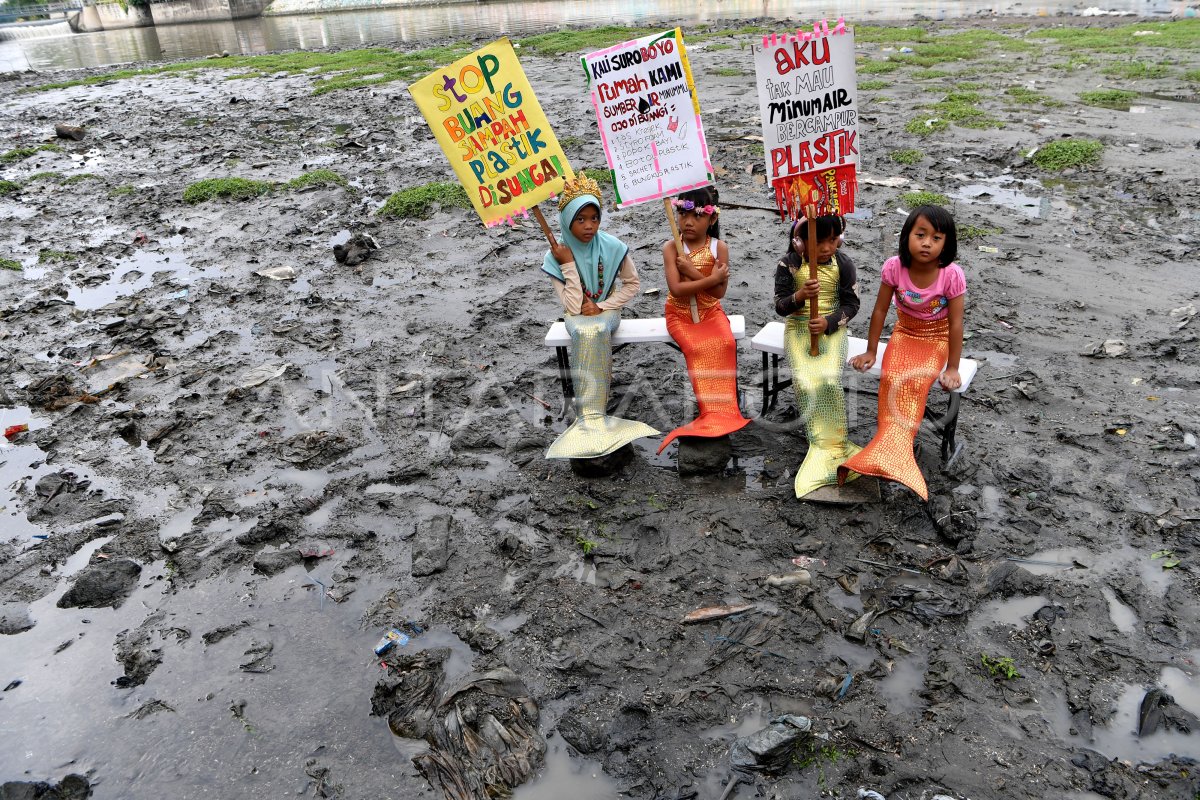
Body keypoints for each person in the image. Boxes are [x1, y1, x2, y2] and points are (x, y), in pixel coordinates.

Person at [837, 205, 966, 500]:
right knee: (892, 379)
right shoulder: (895, 267)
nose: (927, 243)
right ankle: (887, 450)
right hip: (905, 333)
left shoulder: (951, 275)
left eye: (936, 238)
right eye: (920, 235)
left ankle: (897, 452)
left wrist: (953, 368)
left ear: (947, 244)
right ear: (907, 235)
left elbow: (957, 324)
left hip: (936, 339)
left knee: (916, 383)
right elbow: (880, 309)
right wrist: (871, 351)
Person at [541, 174, 659, 459]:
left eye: (594, 218)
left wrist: (605, 305)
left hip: (607, 313)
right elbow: (571, 305)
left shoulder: (613, 246)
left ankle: (598, 414)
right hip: (576, 318)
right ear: (567, 220)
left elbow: (633, 284)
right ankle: (588, 417)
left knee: (596, 329)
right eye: (580, 219)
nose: (589, 226)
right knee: (584, 331)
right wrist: (568, 264)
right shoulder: (555, 255)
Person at [657, 187, 751, 454]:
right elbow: (676, 289)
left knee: (725, 344)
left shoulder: (718, 247)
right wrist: (709, 277)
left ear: (711, 219)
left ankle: (726, 410)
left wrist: (694, 273)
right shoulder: (671, 248)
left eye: (696, 215)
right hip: (680, 314)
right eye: (683, 213)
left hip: (710, 310)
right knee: (697, 349)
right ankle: (709, 411)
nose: (687, 221)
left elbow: (718, 293)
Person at [773, 214, 862, 497]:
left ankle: (835, 444)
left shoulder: (843, 264)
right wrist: (799, 297)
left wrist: (829, 322)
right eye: (820, 241)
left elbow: (852, 304)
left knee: (827, 378)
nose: (827, 248)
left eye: (833, 240)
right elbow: (780, 307)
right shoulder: (789, 264)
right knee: (806, 380)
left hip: (831, 330)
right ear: (800, 241)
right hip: (799, 328)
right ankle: (818, 440)